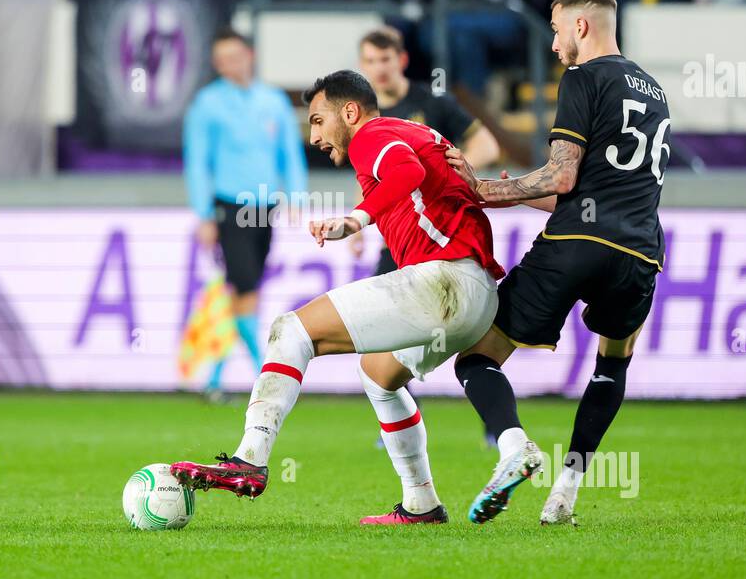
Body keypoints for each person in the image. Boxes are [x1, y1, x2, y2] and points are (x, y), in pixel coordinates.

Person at [171, 70, 507, 525]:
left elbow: (406, 172)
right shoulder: (410, 131)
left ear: (350, 112)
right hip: (478, 295)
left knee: (291, 329)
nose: (313, 137)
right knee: (378, 375)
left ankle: (249, 459)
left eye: (317, 121)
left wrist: (355, 219)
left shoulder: (372, 134)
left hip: (444, 280)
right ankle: (421, 504)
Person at [445, 0, 670, 526]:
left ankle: (516, 446)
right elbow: (586, 191)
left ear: (581, 25)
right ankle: (566, 490)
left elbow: (561, 173)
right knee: (612, 365)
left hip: (575, 247)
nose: (552, 46)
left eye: (554, 30)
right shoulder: (656, 91)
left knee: (477, 357)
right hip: (639, 251)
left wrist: (481, 190)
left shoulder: (583, 77)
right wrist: (521, 196)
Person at [182, 29, 308, 403]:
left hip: (265, 206)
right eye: (221, 59)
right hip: (230, 207)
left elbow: (289, 150)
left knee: (243, 291)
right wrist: (205, 214)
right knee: (246, 288)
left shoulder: (272, 101)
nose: (229, 64)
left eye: (234, 55)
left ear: (249, 55)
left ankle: (216, 379)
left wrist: (297, 196)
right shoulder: (206, 104)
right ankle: (265, 377)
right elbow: (197, 162)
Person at [356, 26, 500, 277]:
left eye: (385, 59)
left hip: (443, 230)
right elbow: (370, 180)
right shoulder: (364, 117)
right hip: (398, 237)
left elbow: (487, 146)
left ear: (402, 60)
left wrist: (447, 172)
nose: (379, 68)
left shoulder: (433, 101)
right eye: (371, 61)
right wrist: (358, 224)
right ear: (362, 65)